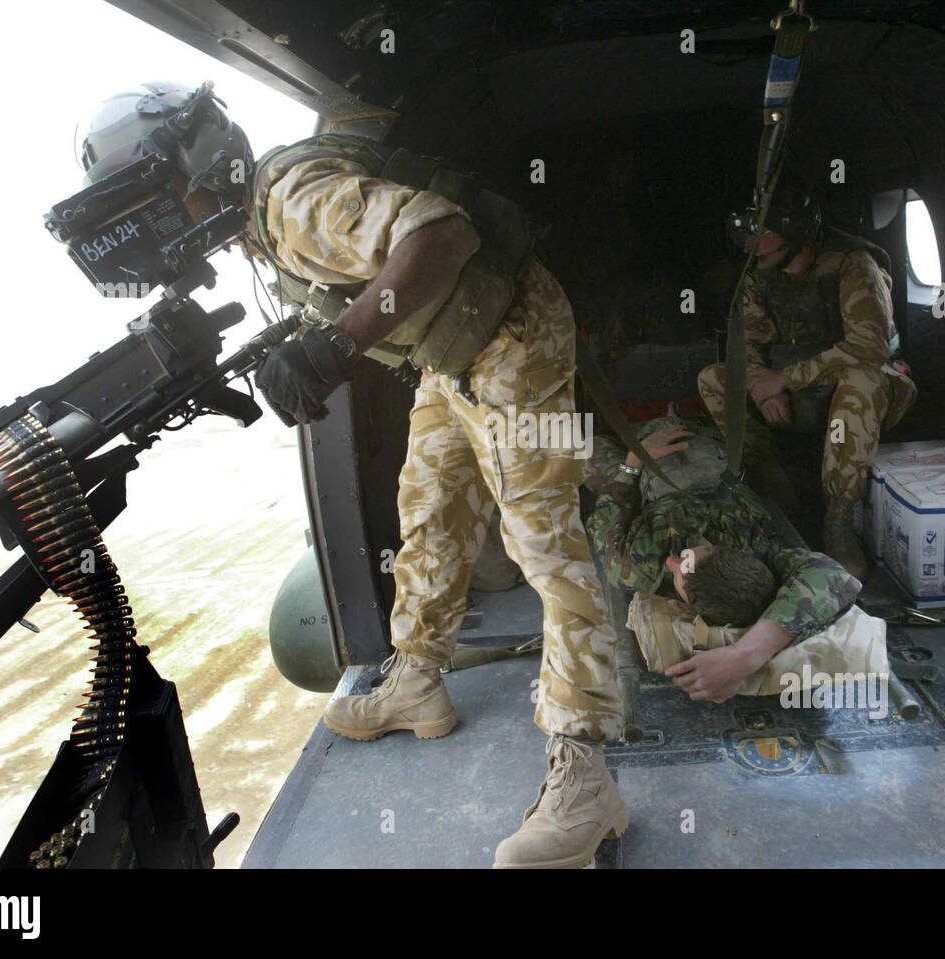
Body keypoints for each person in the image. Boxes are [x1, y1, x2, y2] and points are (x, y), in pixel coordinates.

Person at [77, 82, 624, 869]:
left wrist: (339, 345)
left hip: (511, 336)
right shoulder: (266, 227)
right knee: (429, 507)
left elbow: (443, 235)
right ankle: (418, 681)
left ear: (191, 171)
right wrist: (318, 336)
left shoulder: (291, 198)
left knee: (543, 537)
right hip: (455, 351)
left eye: (160, 200)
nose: (168, 225)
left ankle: (586, 772)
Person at [698, 182, 917, 579]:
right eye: (746, 234)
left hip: (859, 388)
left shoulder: (852, 265)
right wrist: (757, 386)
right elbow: (746, 339)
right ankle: (773, 488)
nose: (751, 244)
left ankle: (838, 519)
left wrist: (784, 379)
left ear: (796, 231)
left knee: (862, 380)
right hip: (799, 387)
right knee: (715, 379)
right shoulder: (758, 273)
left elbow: (870, 348)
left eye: (762, 235)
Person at [585, 418, 862, 703]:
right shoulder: (759, 546)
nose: (671, 562)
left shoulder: (638, 568)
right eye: (692, 554)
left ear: (690, 606)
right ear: (728, 552)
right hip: (703, 443)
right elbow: (833, 576)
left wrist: (633, 461)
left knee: (575, 442)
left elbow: (606, 517)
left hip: (646, 467)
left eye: (679, 574)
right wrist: (746, 656)